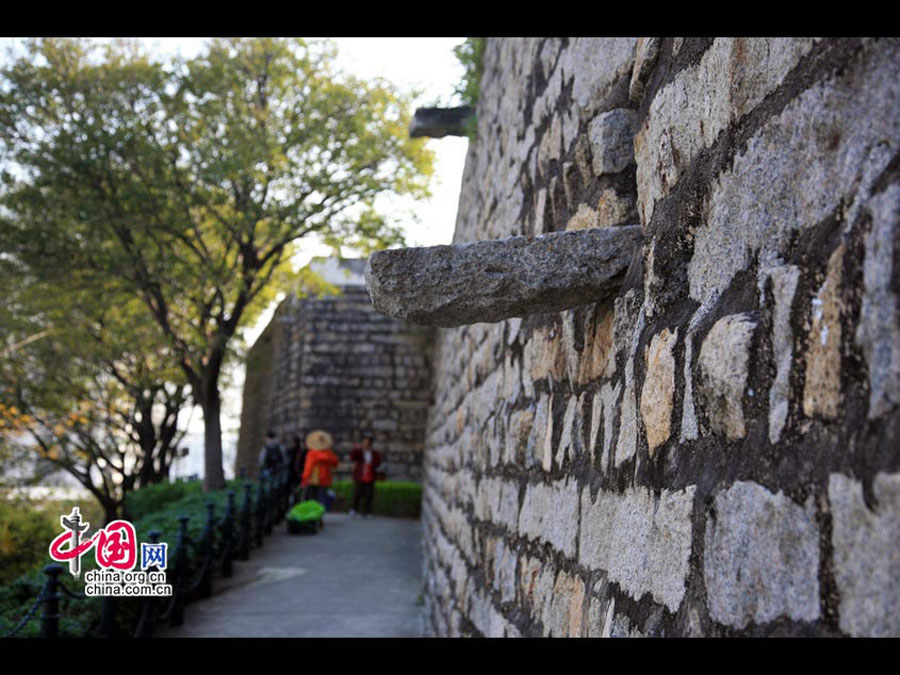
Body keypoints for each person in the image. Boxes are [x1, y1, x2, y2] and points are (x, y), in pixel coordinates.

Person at [300, 430, 339, 505]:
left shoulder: (312, 453)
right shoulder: (328, 453)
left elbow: (308, 467)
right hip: (325, 478)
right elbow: (335, 463)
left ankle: (313, 512)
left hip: (314, 478)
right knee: (322, 497)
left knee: (312, 497)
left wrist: (304, 478)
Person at [349, 433, 382, 518]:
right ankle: (354, 509)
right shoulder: (359, 452)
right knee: (357, 493)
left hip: (370, 476)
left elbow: (377, 462)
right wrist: (356, 448)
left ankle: (367, 512)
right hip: (360, 475)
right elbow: (352, 457)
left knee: (369, 495)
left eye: (367, 444)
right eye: (364, 443)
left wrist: (370, 465)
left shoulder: (374, 453)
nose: (365, 445)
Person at [287, 432, 306, 499]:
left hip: (293, 474)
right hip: (299, 474)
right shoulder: (303, 451)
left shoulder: (290, 451)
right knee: (298, 491)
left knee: (293, 491)